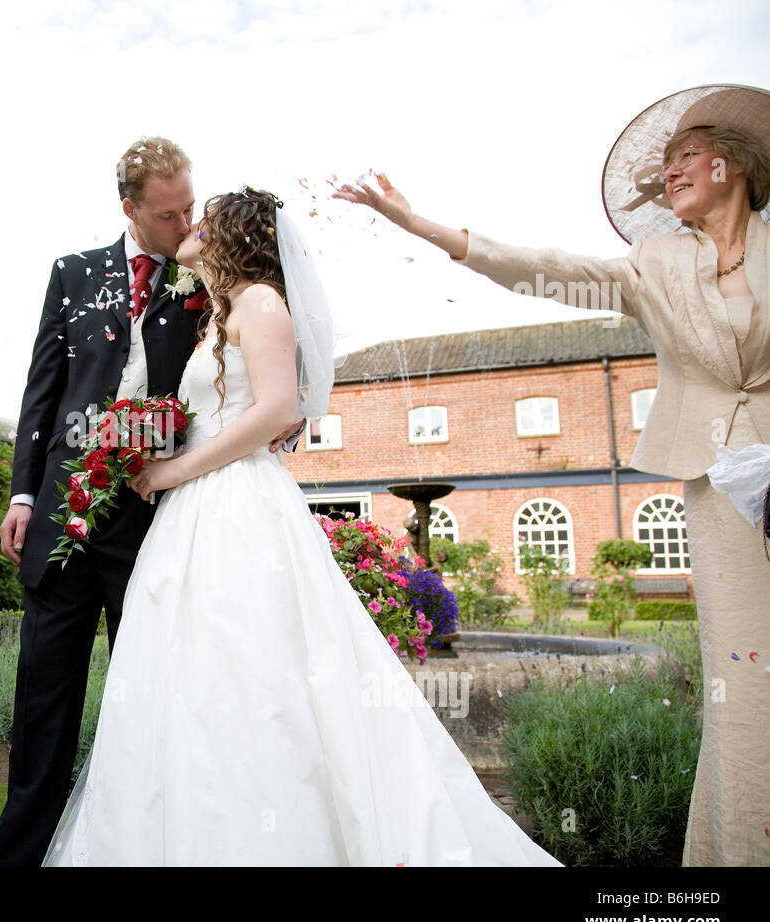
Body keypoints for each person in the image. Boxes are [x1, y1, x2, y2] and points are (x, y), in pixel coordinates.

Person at [44, 188, 560, 866]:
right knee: (188, 678)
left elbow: (277, 410)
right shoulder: (217, 314)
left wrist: (173, 471)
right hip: (193, 511)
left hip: (235, 508)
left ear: (234, 234)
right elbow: (215, 410)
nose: (191, 225)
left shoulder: (260, 300)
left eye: (207, 217)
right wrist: (146, 445)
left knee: (252, 674)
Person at [337, 84, 770, 867]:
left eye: (682, 160)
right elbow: (541, 268)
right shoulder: (656, 264)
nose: (668, 175)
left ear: (730, 165)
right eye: (664, 165)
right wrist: (423, 225)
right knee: (747, 681)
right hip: (721, 485)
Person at [0, 136, 204, 866]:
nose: (186, 223)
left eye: (190, 207)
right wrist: (23, 492)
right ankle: (19, 855)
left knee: (144, 695)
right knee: (43, 699)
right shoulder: (73, 273)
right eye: (170, 215)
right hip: (63, 512)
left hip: (154, 513)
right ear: (129, 209)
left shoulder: (206, 278)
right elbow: (41, 391)